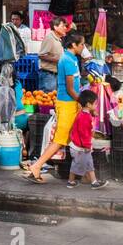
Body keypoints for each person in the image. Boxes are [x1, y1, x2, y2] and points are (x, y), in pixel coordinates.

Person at [27, 30, 86, 183]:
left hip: (70, 103)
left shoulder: (71, 58)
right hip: (67, 104)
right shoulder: (68, 60)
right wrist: (84, 102)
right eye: (82, 44)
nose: (83, 47)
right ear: (74, 45)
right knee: (60, 139)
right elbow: (70, 88)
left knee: (75, 136)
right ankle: (37, 166)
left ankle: (85, 172)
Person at [67, 90, 108, 189]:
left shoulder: (82, 114)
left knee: (86, 164)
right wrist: (87, 146)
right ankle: (74, 182)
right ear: (89, 104)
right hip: (80, 147)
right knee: (79, 165)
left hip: (78, 145)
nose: (96, 105)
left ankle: (91, 182)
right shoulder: (85, 117)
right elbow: (84, 134)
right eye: (95, 104)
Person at [37, 16, 67, 94]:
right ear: (55, 27)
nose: (65, 28)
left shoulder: (59, 39)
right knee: (47, 99)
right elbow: (41, 55)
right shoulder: (49, 38)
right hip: (48, 75)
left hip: (56, 74)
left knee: (54, 99)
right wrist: (58, 60)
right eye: (63, 26)